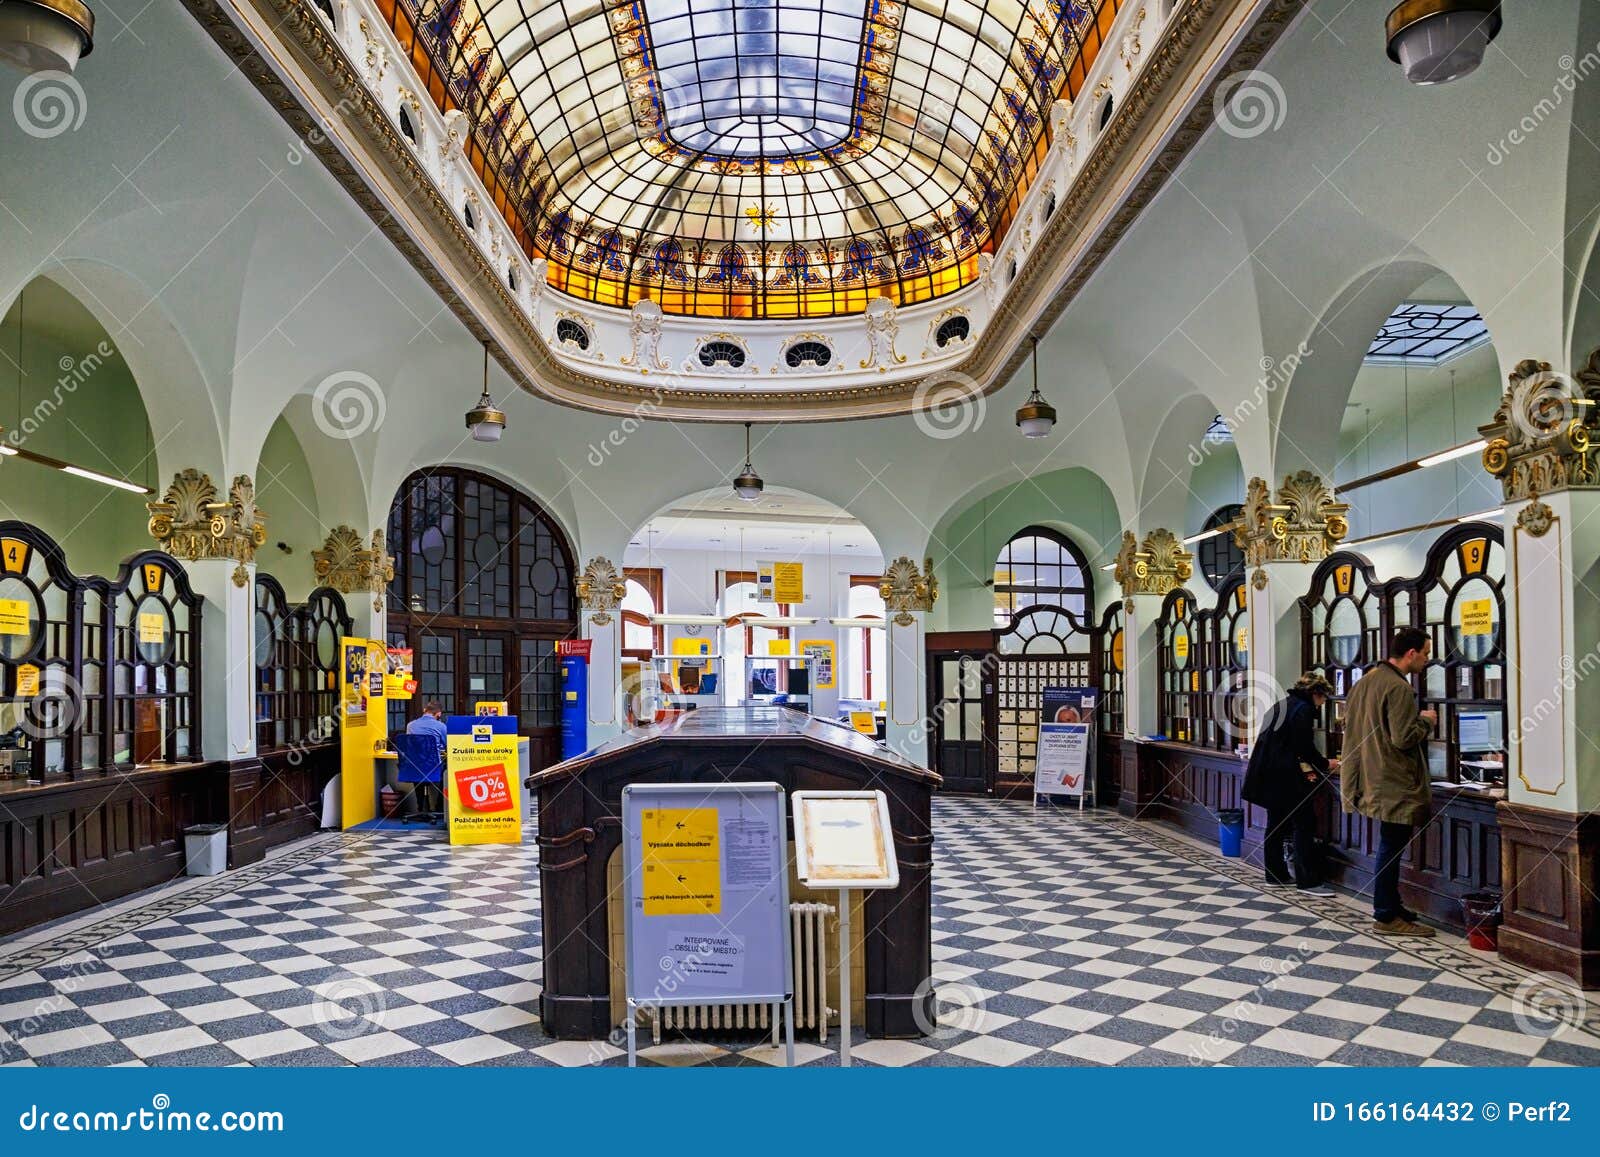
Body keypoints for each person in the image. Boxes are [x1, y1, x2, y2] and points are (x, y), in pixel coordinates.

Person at [1340, 626, 1438, 937]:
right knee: (1391, 848)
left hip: (1372, 776)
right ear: (1411, 654)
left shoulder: (1367, 680)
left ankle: (1392, 905)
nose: (1426, 660)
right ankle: (1385, 914)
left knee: (1389, 845)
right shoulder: (1399, 688)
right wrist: (1426, 721)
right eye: (1425, 654)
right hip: (1394, 782)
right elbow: (1403, 738)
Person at [1241, 673, 1338, 895]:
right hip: (1287, 777)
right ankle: (1308, 881)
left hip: (1269, 775)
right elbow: (1303, 746)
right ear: (1316, 694)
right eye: (1323, 699)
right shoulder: (1302, 710)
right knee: (1304, 823)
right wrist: (1325, 763)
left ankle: (1275, 874)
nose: (1323, 705)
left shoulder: (1282, 705)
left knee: (1276, 823)